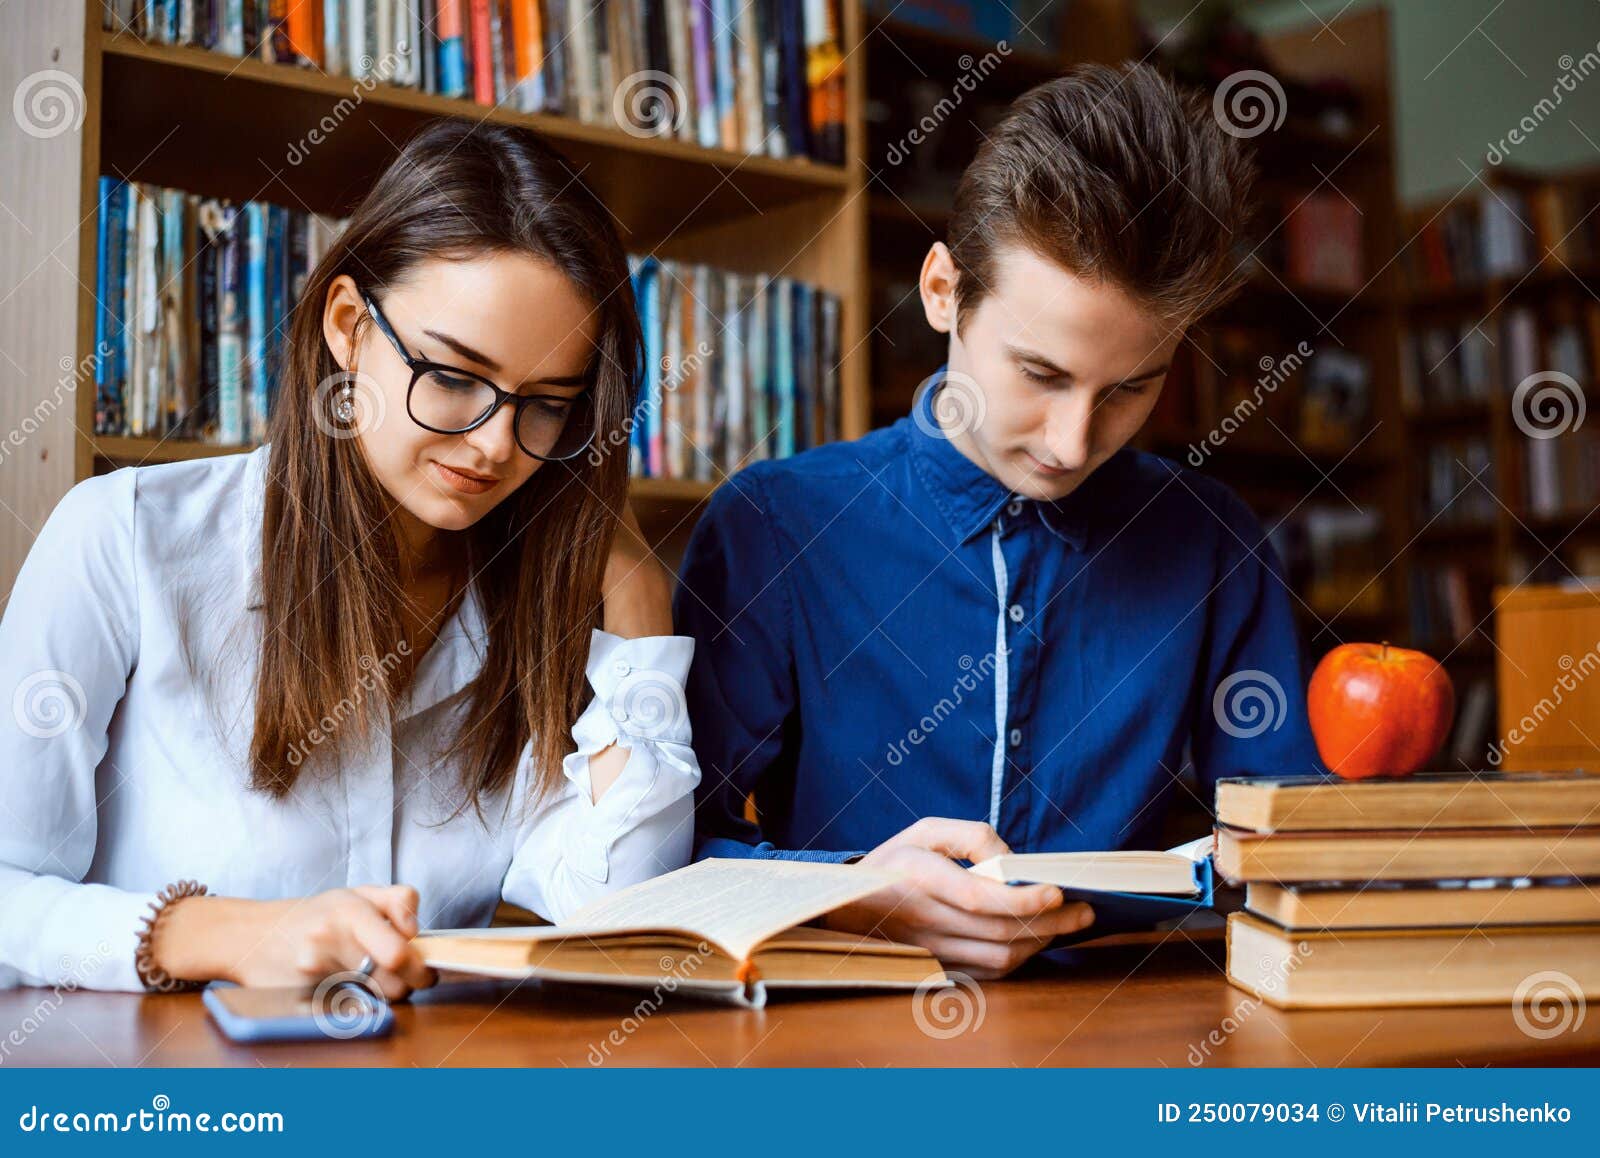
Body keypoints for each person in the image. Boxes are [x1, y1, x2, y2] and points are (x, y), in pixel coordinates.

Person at [0, 120, 698, 996]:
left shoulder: (537, 603)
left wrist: (635, 603)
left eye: (546, 405)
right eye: (451, 377)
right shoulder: (126, 541)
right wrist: (207, 933)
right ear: (346, 326)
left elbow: (621, 920)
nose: (492, 446)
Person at [675, 63, 1322, 979]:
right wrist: (857, 891)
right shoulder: (775, 528)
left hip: (1128, 1050)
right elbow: (653, 862)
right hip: (835, 1053)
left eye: (1130, 388)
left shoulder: (1212, 540)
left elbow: (1291, 854)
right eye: (1042, 375)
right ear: (944, 292)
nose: (1070, 442)